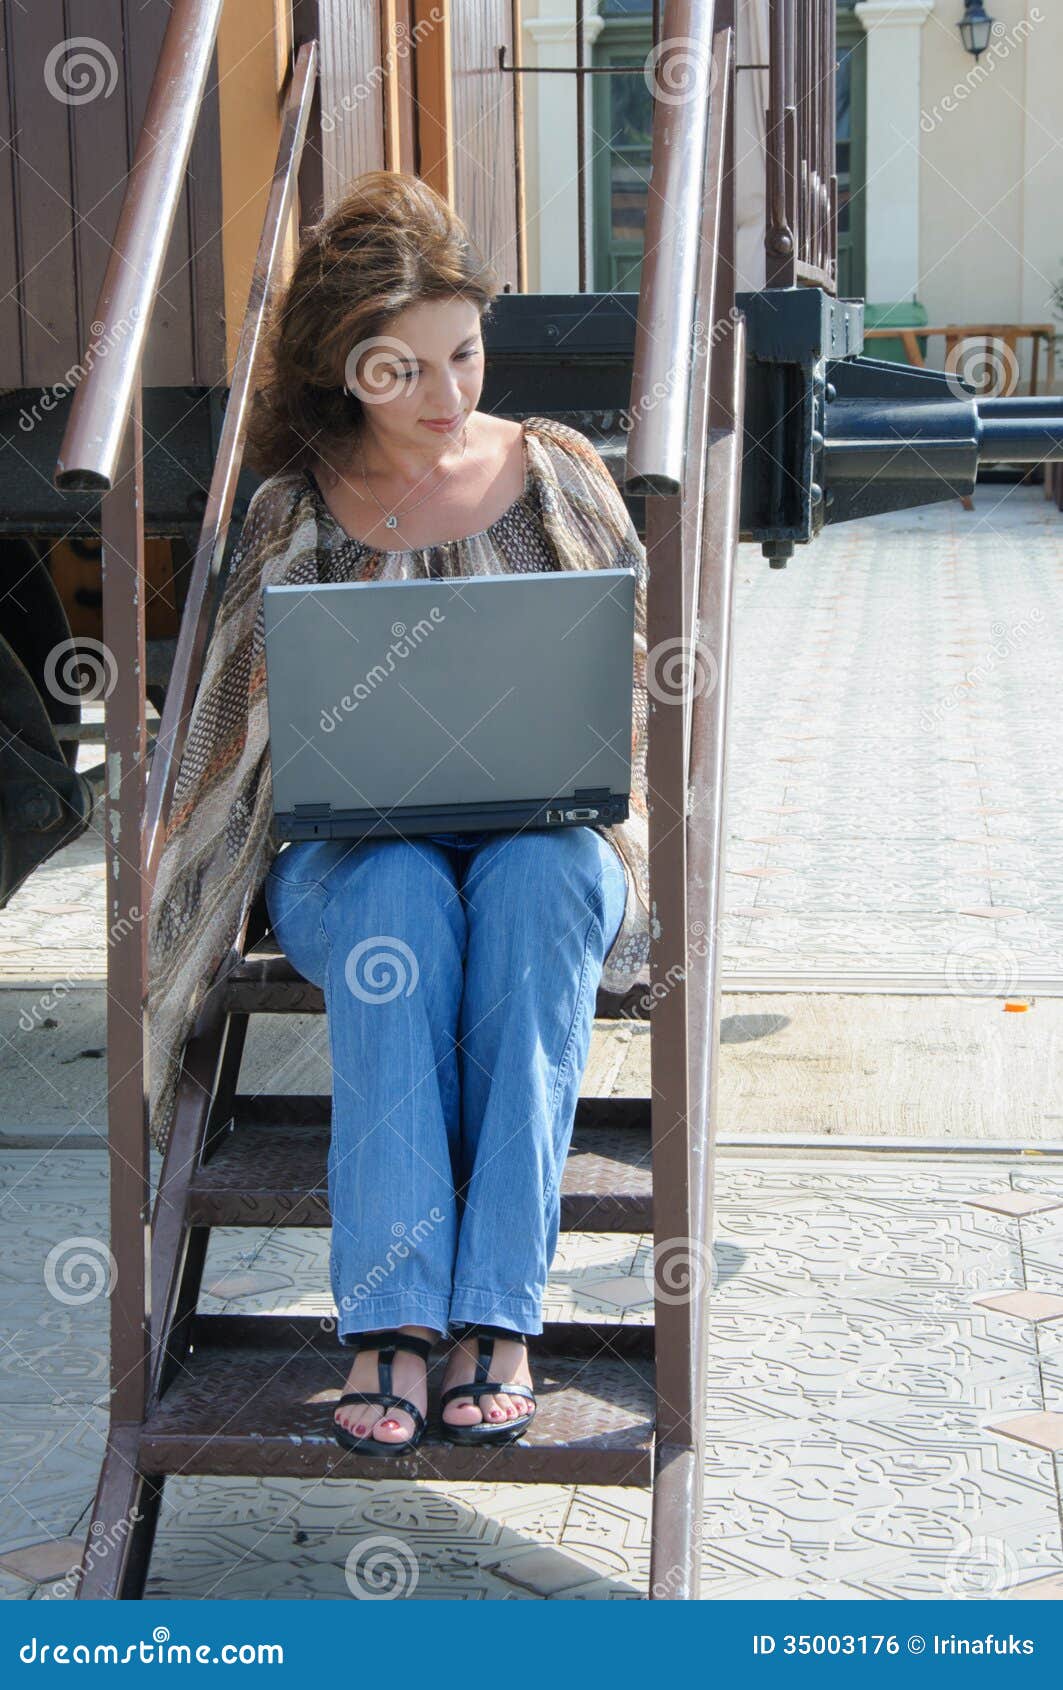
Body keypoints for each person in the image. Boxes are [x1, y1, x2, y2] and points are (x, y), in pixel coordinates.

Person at [149, 170, 650, 1458]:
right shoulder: (292, 510)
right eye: (405, 368)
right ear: (342, 369)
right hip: (354, 860)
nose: (448, 397)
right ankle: (390, 1322)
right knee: (396, 904)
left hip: (546, 841)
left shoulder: (557, 474)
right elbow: (225, 733)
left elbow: (632, 701)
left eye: (466, 354)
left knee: (537, 886)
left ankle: (497, 1316)